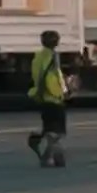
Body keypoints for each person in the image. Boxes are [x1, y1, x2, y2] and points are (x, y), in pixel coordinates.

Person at [27, 30, 68, 168]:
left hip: (43, 97)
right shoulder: (53, 56)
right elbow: (57, 76)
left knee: (50, 127)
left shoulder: (38, 56)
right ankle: (52, 156)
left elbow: (36, 76)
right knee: (57, 131)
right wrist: (64, 91)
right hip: (54, 97)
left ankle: (50, 156)